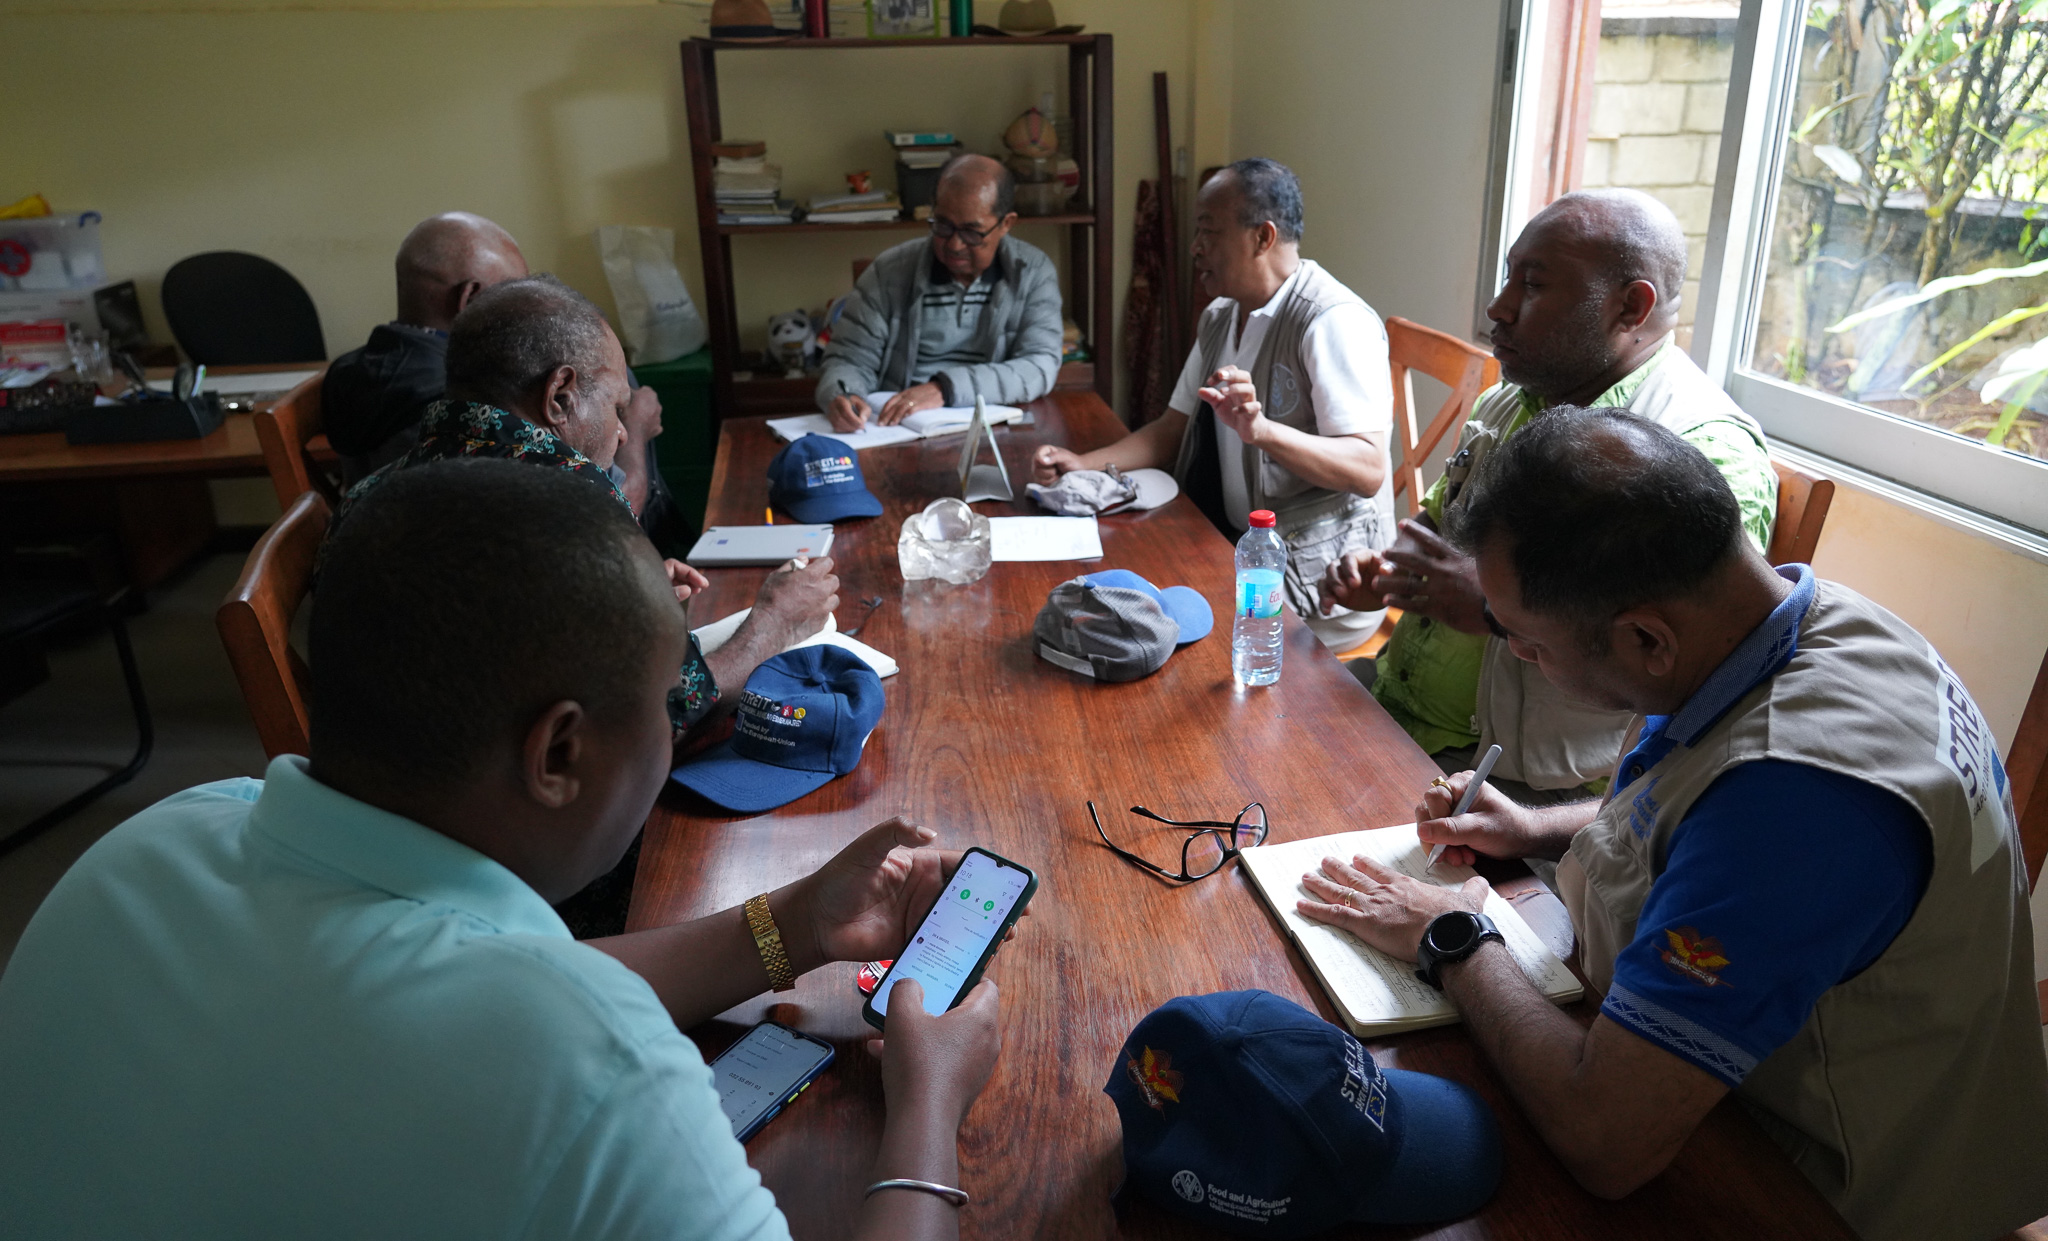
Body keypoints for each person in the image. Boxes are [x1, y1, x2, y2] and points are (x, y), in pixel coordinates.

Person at [0, 460, 1007, 1240]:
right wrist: (927, 1102)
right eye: (664, 705)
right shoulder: (583, 1059)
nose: (669, 733)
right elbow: (538, 1007)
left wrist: (795, 924)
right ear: (559, 750)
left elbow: (492, 976)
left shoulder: (142, 848)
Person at [1294, 410, 2048, 1241]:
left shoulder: (1798, 804)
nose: (1519, 657)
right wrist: (1535, 827)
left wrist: (1459, 938)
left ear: (1649, 638)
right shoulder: (1809, 620)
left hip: (1820, 1190)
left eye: (1531, 644)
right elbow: (1704, 815)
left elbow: (1604, 1139)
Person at [1320, 189, 1777, 798]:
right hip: (1399, 708)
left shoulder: (1701, 454)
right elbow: (1438, 530)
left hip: (1521, 784)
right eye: (1509, 278)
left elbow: (1688, 669)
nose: (1498, 307)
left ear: (1631, 307)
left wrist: (1494, 612)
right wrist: (1389, 570)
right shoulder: (1512, 398)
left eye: (1532, 286)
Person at [336, 274, 837, 743]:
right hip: (511, 814)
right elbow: (666, 715)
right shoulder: (574, 504)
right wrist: (775, 620)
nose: (622, 433)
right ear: (559, 396)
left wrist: (614, 589)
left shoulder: (367, 492)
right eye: (617, 409)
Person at [1030, 158, 1394, 649]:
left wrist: (1261, 430)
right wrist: (1082, 465)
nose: (1195, 248)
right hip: (1240, 549)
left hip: (1317, 581)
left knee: (1152, 636)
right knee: (1115, 605)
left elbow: (1368, 467)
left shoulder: (1330, 322)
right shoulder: (1222, 315)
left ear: (1262, 238)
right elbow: (1170, 428)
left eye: (1208, 232)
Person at [324, 212, 690, 554]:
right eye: (516, 289)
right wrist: (636, 429)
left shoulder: (354, 372)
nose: (532, 301)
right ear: (470, 299)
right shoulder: (470, 400)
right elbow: (604, 526)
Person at [817, 153, 1063, 430]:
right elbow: (848, 358)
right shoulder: (889, 272)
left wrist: (944, 389)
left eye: (972, 232)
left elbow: (1039, 366)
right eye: (943, 226)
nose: (955, 245)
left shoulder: (1032, 272)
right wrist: (843, 394)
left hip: (991, 430)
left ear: (1006, 224)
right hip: (897, 430)